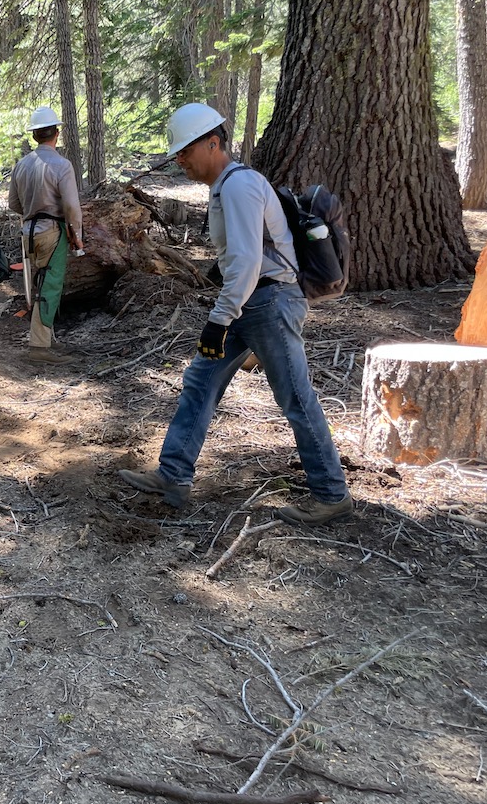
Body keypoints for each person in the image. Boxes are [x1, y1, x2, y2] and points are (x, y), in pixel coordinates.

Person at [117, 103, 352, 526]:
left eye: (186, 150)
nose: (180, 159)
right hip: (250, 303)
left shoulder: (240, 186)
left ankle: (332, 494)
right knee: (200, 382)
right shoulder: (226, 186)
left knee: (296, 398)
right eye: (177, 153)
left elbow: (246, 262)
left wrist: (218, 320)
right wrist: (226, 313)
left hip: (269, 303)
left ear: (213, 143)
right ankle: (173, 475)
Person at [8, 105, 84, 365]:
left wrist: (32, 210)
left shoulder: (21, 165)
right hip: (52, 232)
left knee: (40, 285)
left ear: (34, 135)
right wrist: (76, 234)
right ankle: (40, 348)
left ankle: (46, 338)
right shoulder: (62, 165)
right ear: (57, 134)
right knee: (50, 287)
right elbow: (72, 206)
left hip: (28, 233)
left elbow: (14, 204)